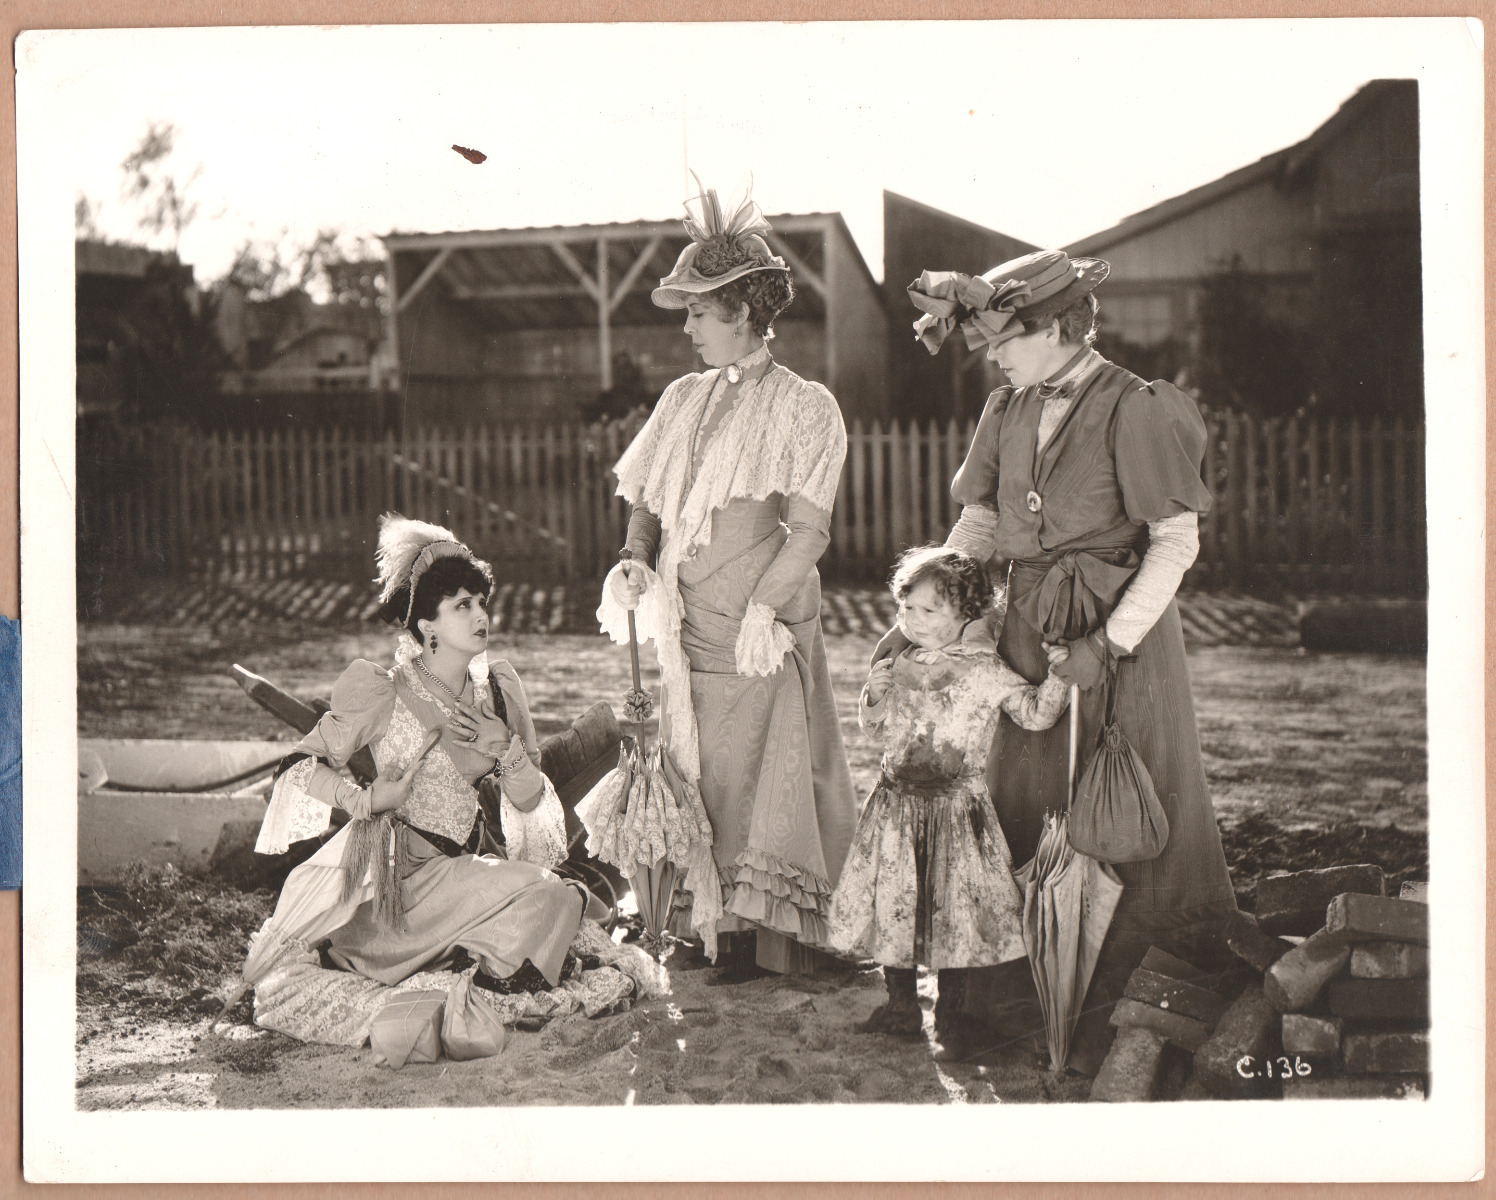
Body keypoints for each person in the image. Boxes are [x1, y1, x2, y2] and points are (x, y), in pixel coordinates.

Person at [883, 249, 1240, 1069]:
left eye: (1004, 340)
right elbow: (980, 524)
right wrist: (932, 606)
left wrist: (1107, 645)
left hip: (1122, 645)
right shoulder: (1007, 408)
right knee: (1021, 803)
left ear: (1055, 329)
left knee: (1122, 806)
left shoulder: (1134, 406)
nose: (992, 356)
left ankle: (1118, 1017)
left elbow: (1175, 541)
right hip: (1028, 631)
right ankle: (1017, 1006)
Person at [598, 178, 857, 975]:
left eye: (699, 314)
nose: (687, 329)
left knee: (760, 771)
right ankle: (711, 930)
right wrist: (635, 557)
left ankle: (765, 938)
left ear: (743, 311)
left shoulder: (807, 406)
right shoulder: (682, 398)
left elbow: (809, 532)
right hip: (686, 626)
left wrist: (764, 611)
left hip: (756, 627)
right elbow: (648, 500)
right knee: (695, 769)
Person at [241, 515, 605, 1055]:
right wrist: (367, 800)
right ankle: (429, 961)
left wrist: (504, 749)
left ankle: (459, 958)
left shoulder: (499, 690)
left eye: (481, 602)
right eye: (462, 605)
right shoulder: (384, 691)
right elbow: (295, 768)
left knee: (555, 897)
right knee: (552, 899)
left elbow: (532, 803)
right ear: (427, 627)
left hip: (461, 872)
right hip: (395, 889)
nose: (481, 615)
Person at [827, 546, 1071, 1058]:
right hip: (895, 810)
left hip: (958, 815)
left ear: (966, 613)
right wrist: (874, 696)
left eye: (928, 609)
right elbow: (876, 732)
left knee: (954, 914)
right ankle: (901, 1007)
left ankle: (951, 1020)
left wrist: (1060, 677)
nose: (912, 619)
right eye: (906, 607)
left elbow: (1035, 715)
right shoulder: (900, 662)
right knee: (894, 905)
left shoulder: (984, 670)